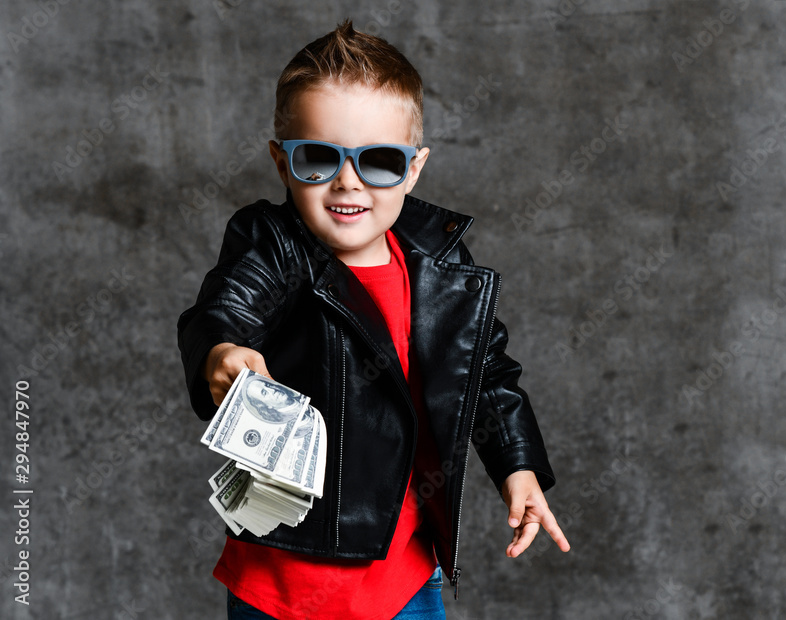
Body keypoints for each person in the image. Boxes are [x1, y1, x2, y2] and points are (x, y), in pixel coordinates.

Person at [177, 19, 570, 620]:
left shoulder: (441, 264)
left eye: (379, 162)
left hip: (406, 575)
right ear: (283, 164)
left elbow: (487, 373)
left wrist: (517, 465)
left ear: (414, 170)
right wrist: (223, 353)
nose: (347, 181)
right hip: (287, 577)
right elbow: (225, 306)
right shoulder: (272, 244)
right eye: (318, 158)